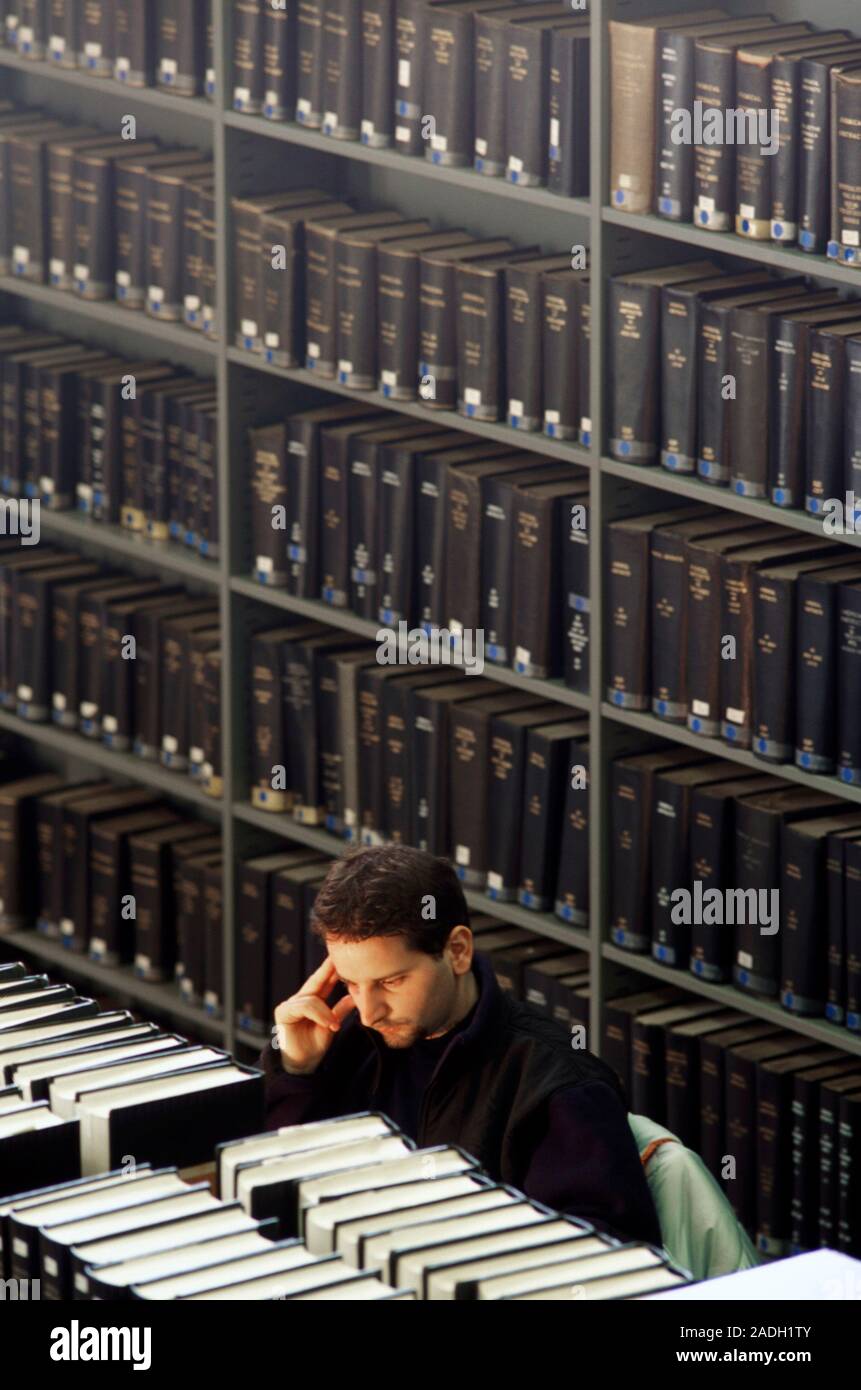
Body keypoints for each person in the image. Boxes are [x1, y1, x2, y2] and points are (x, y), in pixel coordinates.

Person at [258, 844, 661, 1246]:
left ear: (457, 951)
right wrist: (296, 1074)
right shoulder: (342, 1040)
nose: (368, 1013)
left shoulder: (558, 1085)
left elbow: (603, 1254)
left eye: (390, 982)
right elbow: (287, 1199)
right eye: (350, 983)